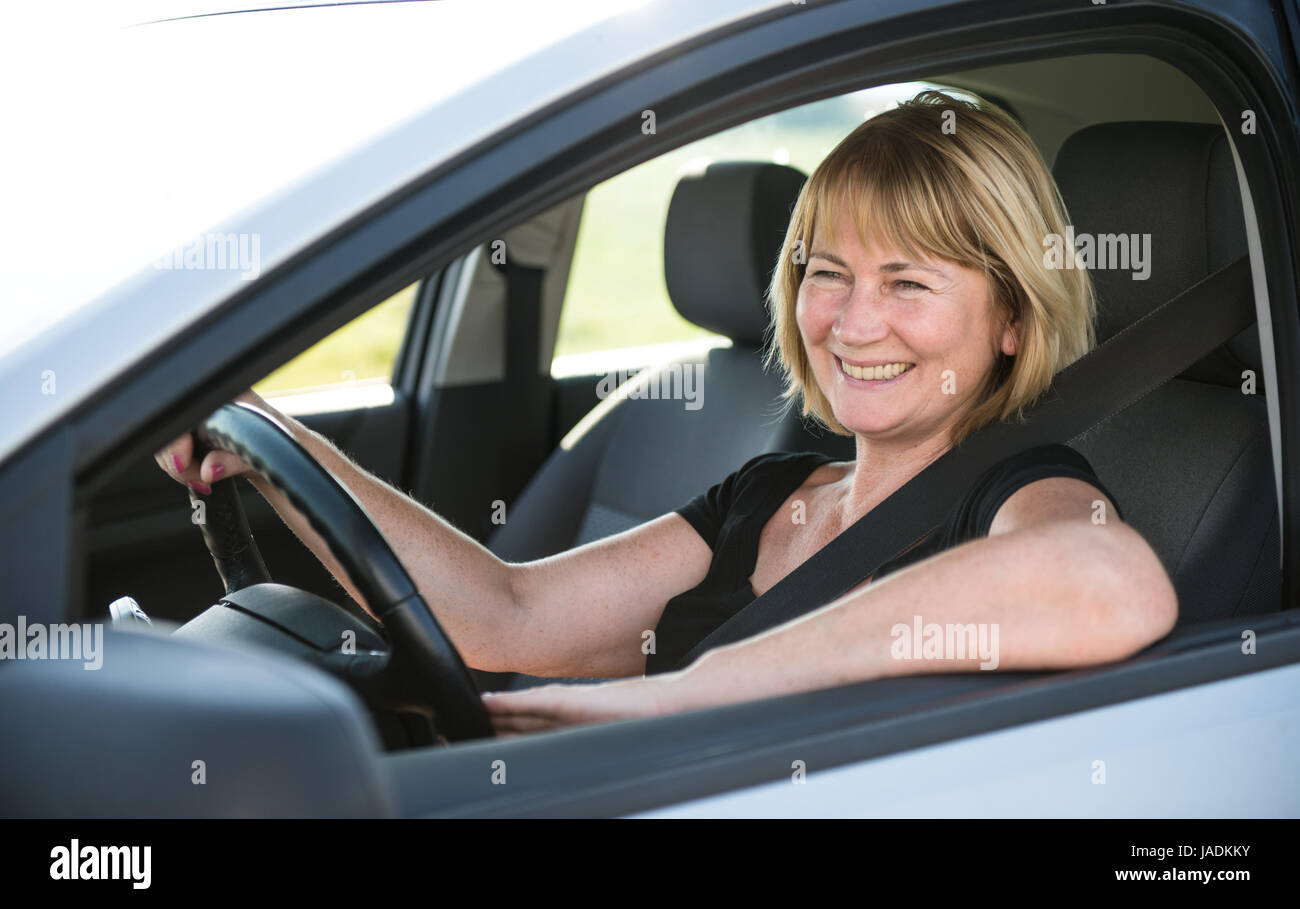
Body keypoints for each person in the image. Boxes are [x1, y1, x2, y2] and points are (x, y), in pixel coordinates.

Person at [156, 90, 1177, 737]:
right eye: (826, 272)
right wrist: (274, 442)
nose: (853, 321)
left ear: (1012, 317)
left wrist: (684, 693)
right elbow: (507, 616)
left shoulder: (1017, 493)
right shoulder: (769, 491)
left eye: (908, 282)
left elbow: (1108, 582)